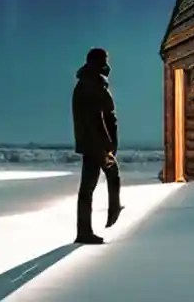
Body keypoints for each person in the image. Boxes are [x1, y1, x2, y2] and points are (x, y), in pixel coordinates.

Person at [72, 47, 123, 244]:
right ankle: (111, 212)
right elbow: (97, 117)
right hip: (97, 143)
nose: (106, 63)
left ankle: (87, 228)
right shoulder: (91, 84)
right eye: (104, 60)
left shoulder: (90, 82)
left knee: (89, 186)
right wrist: (107, 143)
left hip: (93, 142)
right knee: (108, 177)